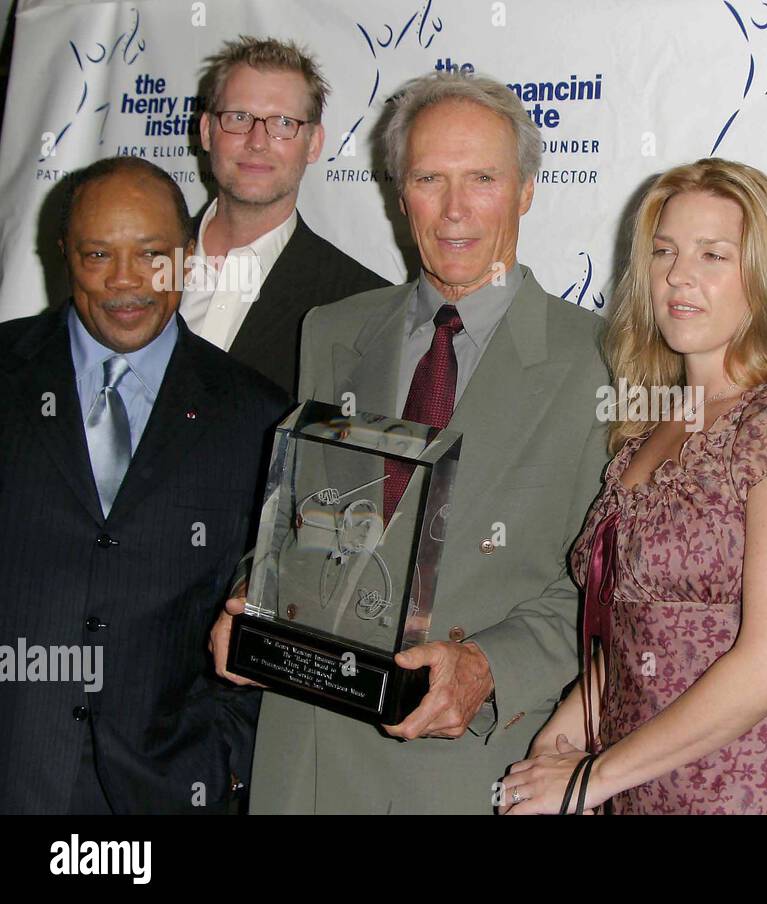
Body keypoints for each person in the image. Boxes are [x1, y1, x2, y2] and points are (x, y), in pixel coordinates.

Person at [210, 70, 609, 814]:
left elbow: (604, 592)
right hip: (308, 762)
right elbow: (300, 518)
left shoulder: (602, 360)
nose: (455, 210)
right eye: (429, 178)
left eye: (483, 178)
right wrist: (252, 596)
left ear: (525, 190)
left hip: (463, 769)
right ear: (401, 196)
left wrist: (489, 665)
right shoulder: (330, 330)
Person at [499, 159, 767, 815]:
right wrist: (570, 721)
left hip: (737, 794)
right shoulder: (647, 431)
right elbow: (637, 626)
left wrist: (592, 777)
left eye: (713, 255)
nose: (678, 276)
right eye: (663, 252)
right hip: (627, 790)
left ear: (762, 275)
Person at [0, 156, 289, 814]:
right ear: (62, 255)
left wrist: (227, 761)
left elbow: (272, 613)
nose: (125, 282)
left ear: (188, 257)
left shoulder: (259, 417)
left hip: (165, 791)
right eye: (99, 254)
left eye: (152, 254)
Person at [183, 36, 389, 394]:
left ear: (313, 143)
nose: (257, 141)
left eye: (282, 123)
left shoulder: (362, 303)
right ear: (206, 131)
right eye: (238, 117)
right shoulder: (138, 263)